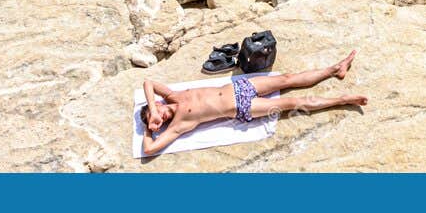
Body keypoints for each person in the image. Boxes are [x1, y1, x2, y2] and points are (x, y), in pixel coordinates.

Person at [139, 51, 366, 156]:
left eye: (154, 114)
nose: (160, 119)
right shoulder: (179, 124)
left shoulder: (172, 95)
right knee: (293, 101)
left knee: (287, 78)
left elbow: (148, 82)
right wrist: (152, 129)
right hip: (243, 108)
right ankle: (343, 100)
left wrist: (152, 109)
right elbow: (149, 149)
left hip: (240, 87)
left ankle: (335, 69)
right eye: (156, 122)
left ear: (156, 105)